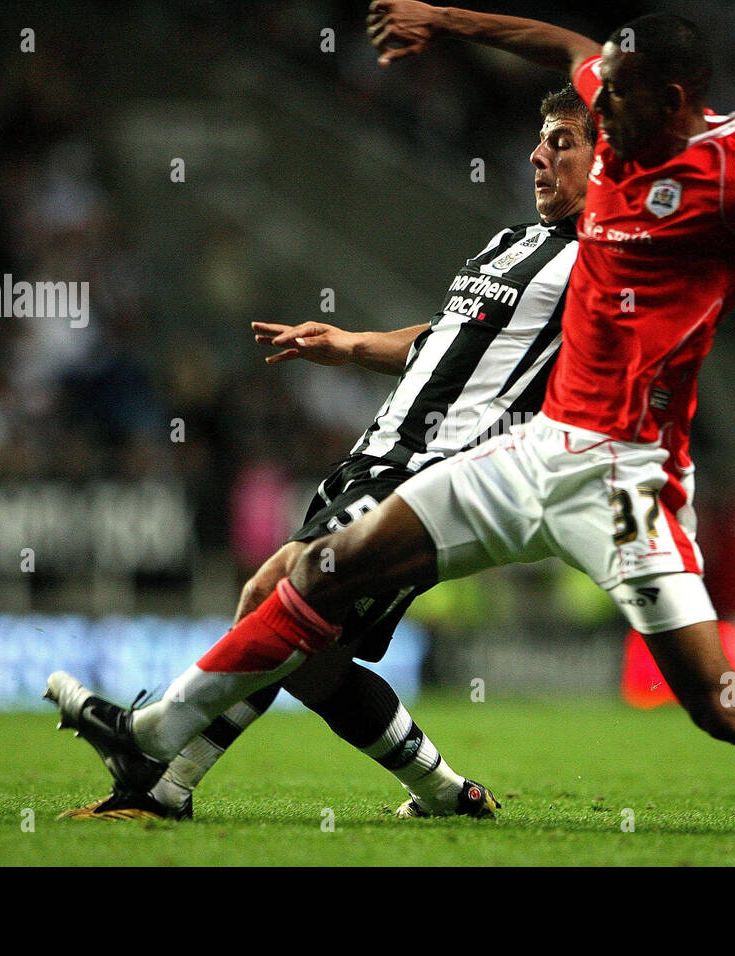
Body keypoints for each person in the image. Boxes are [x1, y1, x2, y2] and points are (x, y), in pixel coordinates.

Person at [48, 3, 735, 838]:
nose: (600, 121)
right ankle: (153, 737)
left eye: (623, 105)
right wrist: (448, 22)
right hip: (531, 449)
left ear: (679, 97)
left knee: (721, 705)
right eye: (601, 101)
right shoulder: (615, 105)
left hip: (627, 482)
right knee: (320, 570)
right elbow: (563, 43)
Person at [60, 83, 596, 820]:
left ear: (610, 164)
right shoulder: (511, 244)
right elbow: (443, 340)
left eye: (562, 142)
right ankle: (445, 794)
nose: (538, 155)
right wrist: (349, 346)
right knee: (310, 659)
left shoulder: (603, 268)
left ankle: (158, 772)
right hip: (373, 457)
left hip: (431, 479)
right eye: (540, 139)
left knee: (274, 595)